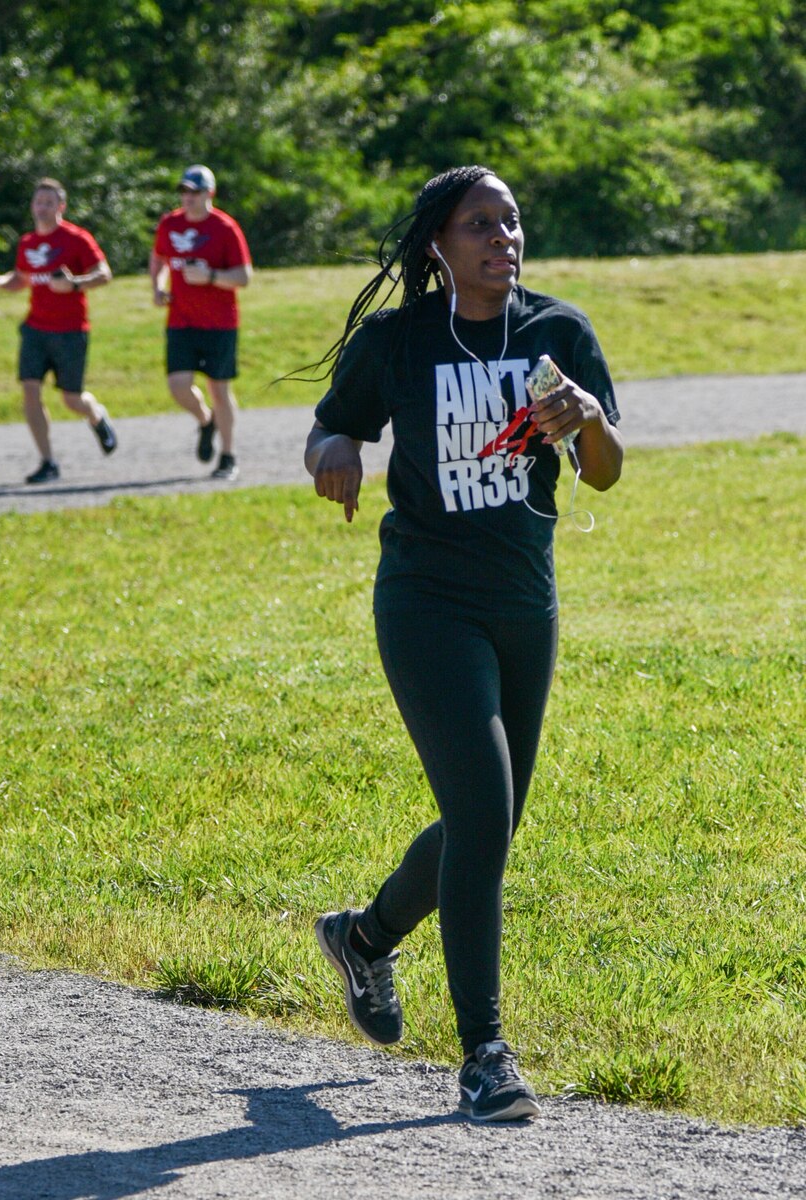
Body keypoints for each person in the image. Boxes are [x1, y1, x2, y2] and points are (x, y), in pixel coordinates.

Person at [305, 165, 623, 1122]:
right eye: (480, 224)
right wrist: (336, 455)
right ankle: (485, 1053)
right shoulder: (399, 340)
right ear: (438, 247)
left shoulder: (557, 334)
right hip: (426, 603)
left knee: (494, 819)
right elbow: (329, 428)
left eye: (512, 222)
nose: (503, 238)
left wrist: (589, 419)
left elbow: (603, 475)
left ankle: (365, 937)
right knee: (483, 808)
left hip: (526, 603)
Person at [0, 177, 117, 484]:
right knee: (30, 390)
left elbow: (104, 274)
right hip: (35, 329)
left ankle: (96, 416)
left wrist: (75, 283)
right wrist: (0, 282)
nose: (42, 208)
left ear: (61, 207)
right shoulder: (28, 243)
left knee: (72, 399)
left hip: (70, 331)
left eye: (49, 203)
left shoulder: (76, 239)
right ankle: (48, 461)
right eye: (38, 202)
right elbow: (22, 278)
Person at [149, 164, 252, 481]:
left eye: (194, 192)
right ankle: (206, 420)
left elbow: (244, 277)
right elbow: (159, 258)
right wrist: (158, 285)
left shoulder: (224, 227)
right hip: (181, 319)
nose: (188, 197)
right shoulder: (170, 224)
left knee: (219, 389)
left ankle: (228, 455)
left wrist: (210, 276)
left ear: (210, 193)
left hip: (220, 323)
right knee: (177, 386)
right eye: (184, 191)